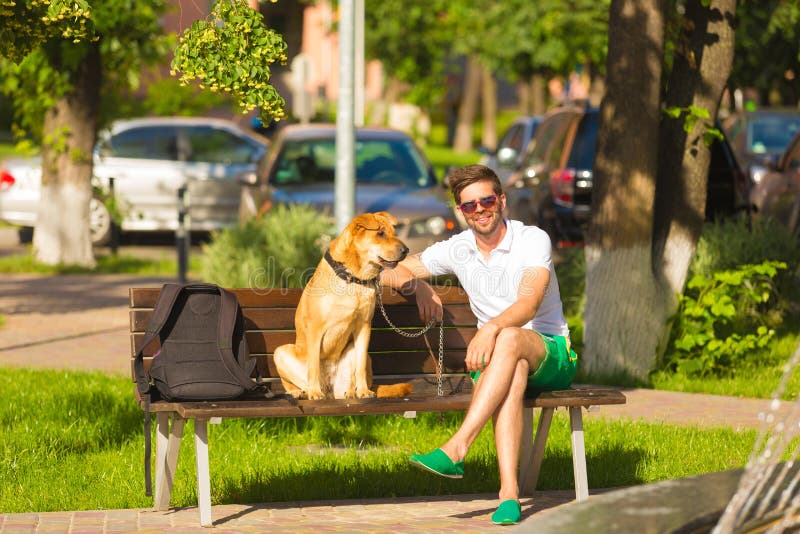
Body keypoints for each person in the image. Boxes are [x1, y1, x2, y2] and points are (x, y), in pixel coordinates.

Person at [379, 164, 578, 525]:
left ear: (501, 200)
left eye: (486, 200)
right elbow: (387, 268)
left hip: (551, 354)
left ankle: (458, 446)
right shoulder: (459, 249)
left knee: (511, 337)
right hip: (500, 363)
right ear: (460, 211)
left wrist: (489, 330)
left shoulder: (533, 240)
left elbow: (528, 304)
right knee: (511, 364)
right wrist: (419, 286)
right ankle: (509, 497)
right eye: (469, 205)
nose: (480, 210)